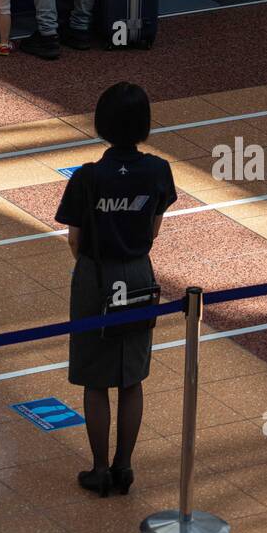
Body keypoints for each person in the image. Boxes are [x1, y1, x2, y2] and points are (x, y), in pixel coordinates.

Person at [54, 82, 177, 497]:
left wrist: (94, 270)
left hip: (96, 275)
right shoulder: (159, 170)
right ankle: (125, 468)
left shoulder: (87, 178)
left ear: (101, 124)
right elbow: (154, 227)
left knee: (95, 378)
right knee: (131, 377)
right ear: (144, 125)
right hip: (140, 272)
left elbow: (75, 238)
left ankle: (99, 469)